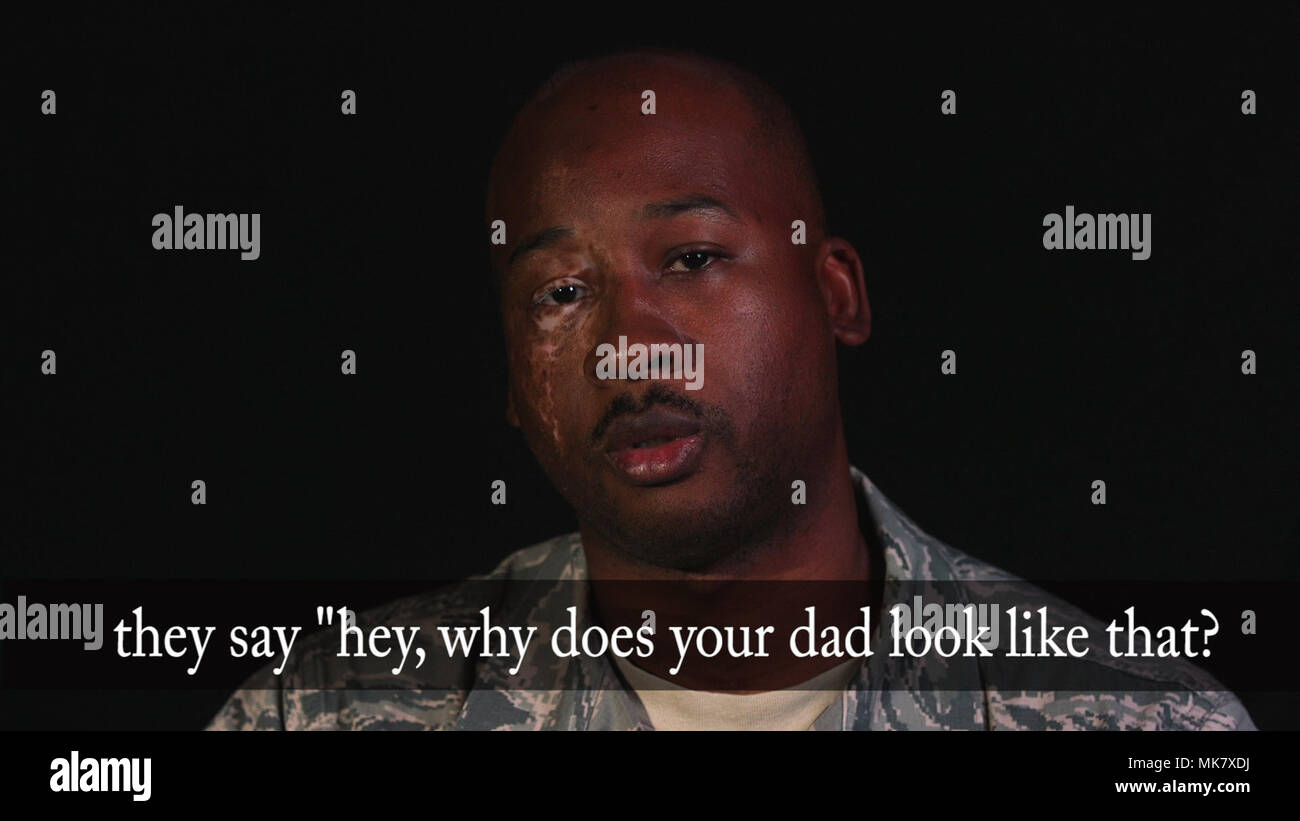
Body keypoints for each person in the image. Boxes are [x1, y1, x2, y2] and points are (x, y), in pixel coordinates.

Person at [208, 47, 1254, 731]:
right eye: (561, 291)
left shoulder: (1139, 725)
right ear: (516, 384)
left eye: (694, 258)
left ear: (834, 291)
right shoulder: (322, 713)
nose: (630, 343)